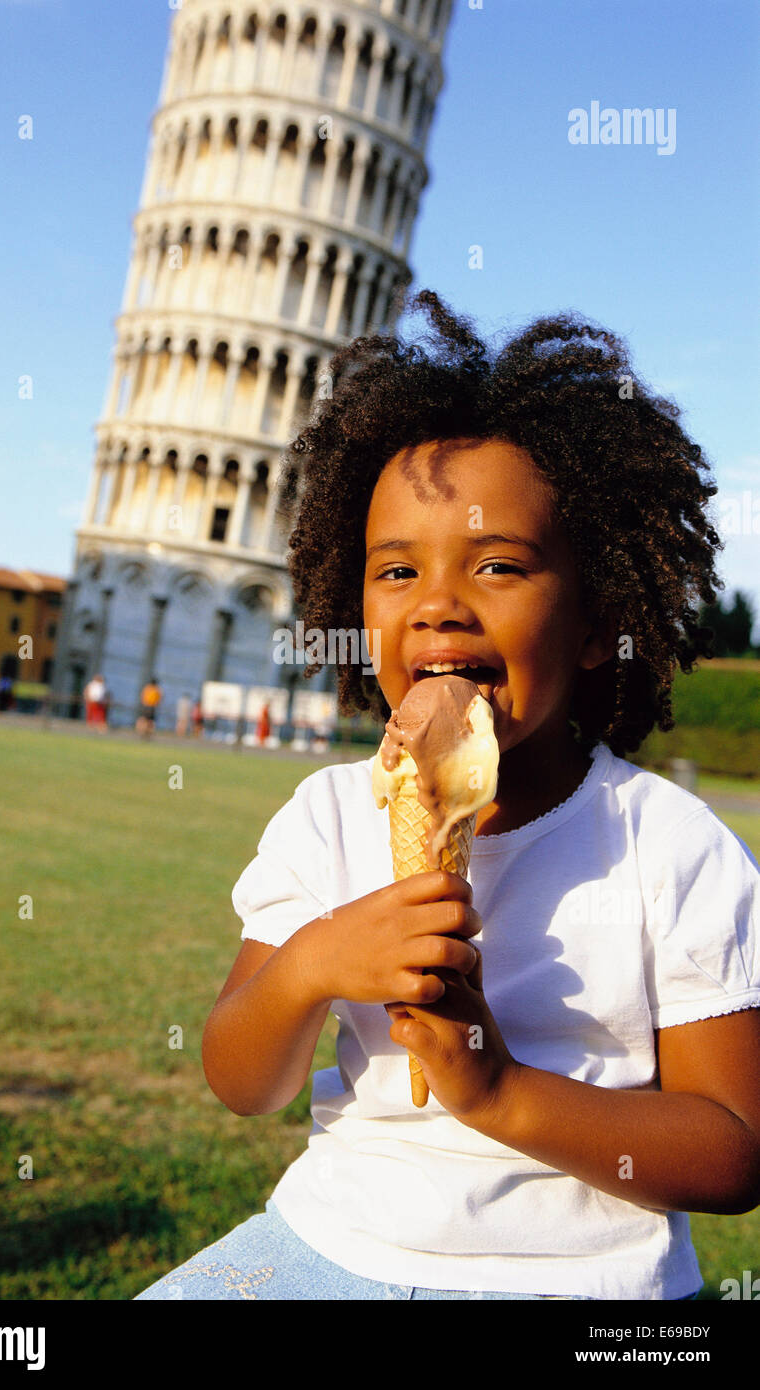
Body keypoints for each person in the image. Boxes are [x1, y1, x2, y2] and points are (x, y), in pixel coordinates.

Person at [134, 290, 760, 1302]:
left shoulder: (668, 842)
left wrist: (500, 1091)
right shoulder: (328, 815)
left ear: (599, 621)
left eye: (499, 563)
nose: (435, 602)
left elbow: (733, 1149)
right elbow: (242, 1082)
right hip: (329, 1242)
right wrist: (306, 967)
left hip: (587, 1284)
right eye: (394, 571)